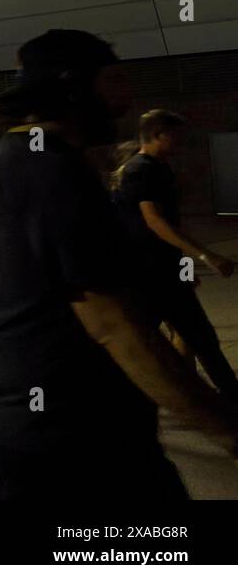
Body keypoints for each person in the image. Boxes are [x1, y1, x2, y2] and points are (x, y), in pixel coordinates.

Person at [0, 30, 238, 500]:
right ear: (73, 86)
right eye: (114, 80)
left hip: (49, 428)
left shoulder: (15, 153)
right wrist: (224, 429)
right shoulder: (52, 167)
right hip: (73, 441)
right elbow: (113, 325)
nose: (126, 97)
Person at [113, 108, 236, 400]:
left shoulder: (158, 168)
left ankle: (219, 395)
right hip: (146, 274)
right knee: (151, 341)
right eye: (177, 136)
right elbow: (155, 222)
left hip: (162, 271)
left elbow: (168, 225)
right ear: (158, 135)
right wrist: (206, 256)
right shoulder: (141, 170)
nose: (182, 143)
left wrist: (184, 267)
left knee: (197, 337)